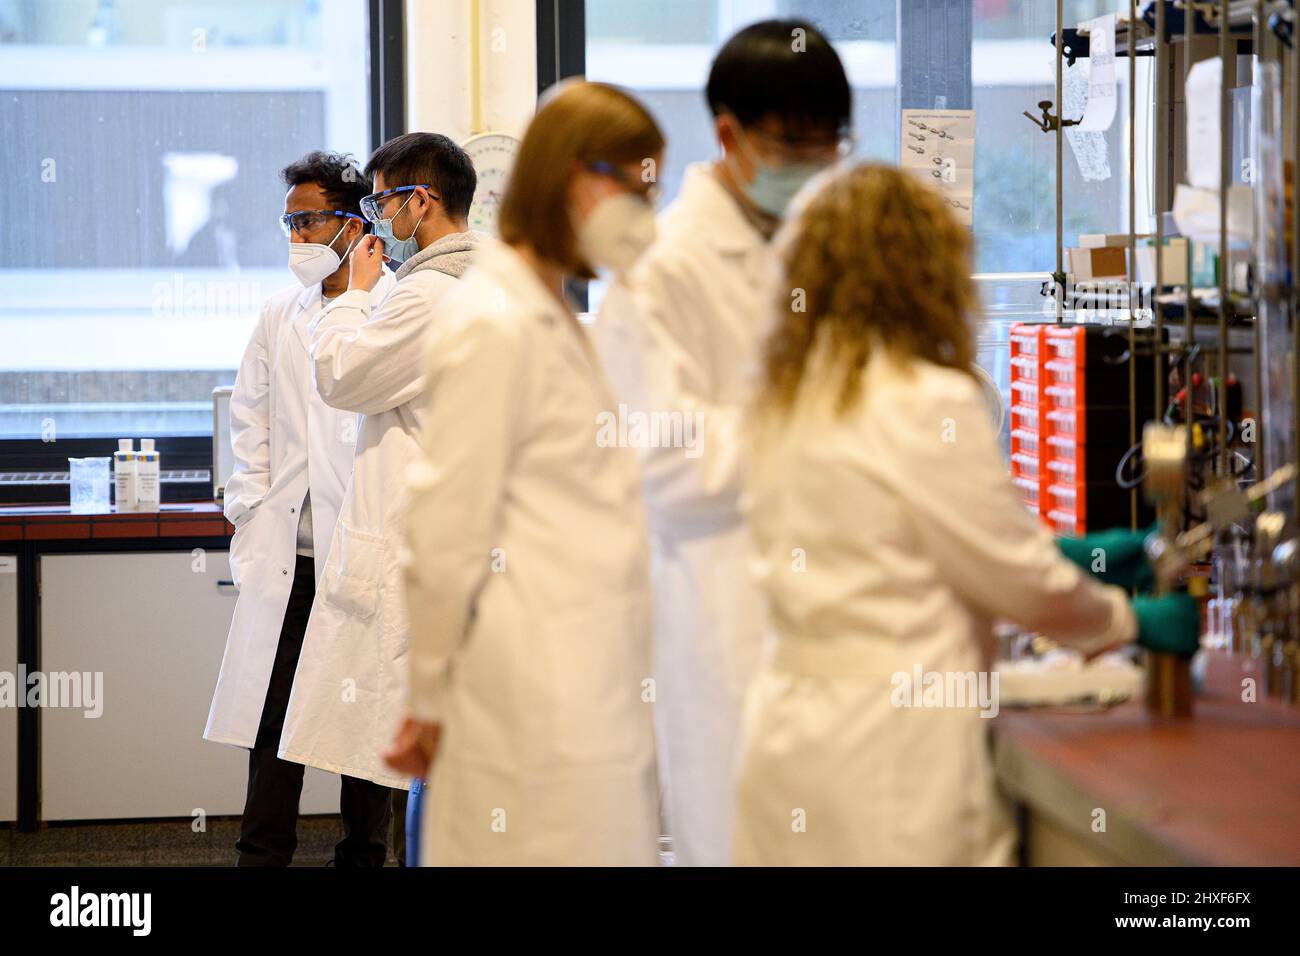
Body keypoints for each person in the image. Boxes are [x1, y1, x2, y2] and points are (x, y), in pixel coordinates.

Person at [733, 162, 1201, 866]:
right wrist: (1130, 621)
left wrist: (1073, 553)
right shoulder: (925, 399)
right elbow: (1016, 580)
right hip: (892, 756)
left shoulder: (784, 397)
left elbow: (897, 540)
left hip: (786, 743)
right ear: (924, 276)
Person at [383, 81, 664, 866]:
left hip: (584, 677)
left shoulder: (557, 317)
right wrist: (429, 696)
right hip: (522, 690)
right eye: (637, 186)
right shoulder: (493, 322)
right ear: (576, 179)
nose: (647, 209)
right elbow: (446, 524)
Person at [592, 19, 851, 866]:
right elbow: (665, 459)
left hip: (836, 601)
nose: (812, 163)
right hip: (723, 606)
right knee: (742, 838)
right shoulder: (661, 268)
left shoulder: (822, 248)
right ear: (731, 134)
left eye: (829, 144)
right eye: (792, 143)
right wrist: (821, 438)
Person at [276, 133, 481, 865]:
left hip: (416, 551)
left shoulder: (427, 295)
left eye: (381, 200)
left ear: (420, 201)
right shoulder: (479, 284)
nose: (375, 215)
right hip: (450, 545)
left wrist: (355, 298)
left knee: (422, 751)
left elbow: (343, 377)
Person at [204, 151, 396, 866]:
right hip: (295, 560)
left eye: (310, 220)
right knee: (273, 723)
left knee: (363, 720)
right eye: (289, 223)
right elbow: (247, 421)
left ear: (352, 222)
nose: (297, 238)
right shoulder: (280, 314)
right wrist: (249, 511)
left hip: (365, 553)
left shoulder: (393, 306)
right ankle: (263, 856)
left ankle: (363, 855)